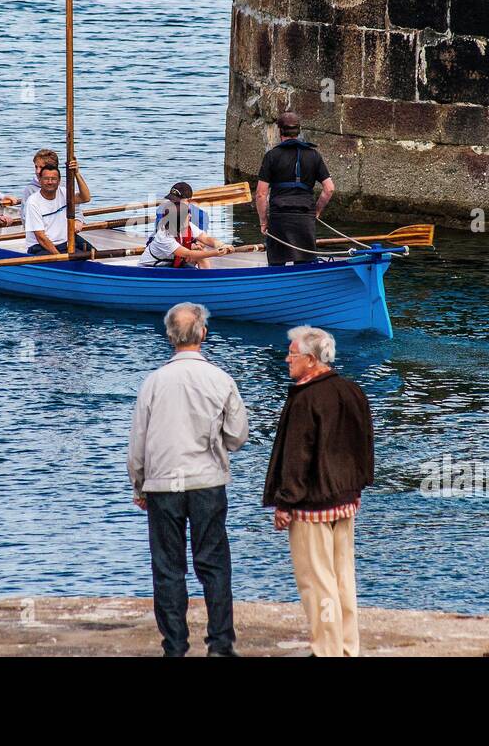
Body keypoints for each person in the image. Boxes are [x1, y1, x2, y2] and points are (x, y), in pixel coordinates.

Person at [128, 303, 249, 657]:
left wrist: (139, 485)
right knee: (213, 564)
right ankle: (220, 644)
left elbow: (138, 443)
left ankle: (175, 646)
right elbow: (238, 436)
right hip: (206, 480)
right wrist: (218, 443)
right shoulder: (221, 379)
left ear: (170, 337)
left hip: (163, 483)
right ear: (203, 334)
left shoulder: (153, 382)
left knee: (168, 568)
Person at [262, 325, 375, 657]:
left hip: (312, 504)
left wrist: (284, 502)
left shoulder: (305, 398)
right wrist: (356, 487)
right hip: (345, 499)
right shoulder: (352, 390)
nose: (287, 360)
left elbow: (297, 456)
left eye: (293, 355)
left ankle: (325, 648)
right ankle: (346, 646)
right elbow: (365, 446)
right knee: (343, 577)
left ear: (310, 360)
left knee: (317, 581)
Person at [255, 112, 336, 266]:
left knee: (277, 266)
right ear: (299, 131)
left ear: (279, 131)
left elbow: (261, 194)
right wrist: (316, 210)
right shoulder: (314, 155)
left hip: (279, 218)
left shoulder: (272, 156)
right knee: (304, 266)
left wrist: (263, 221)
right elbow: (329, 189)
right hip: (305, 217)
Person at [137, 195, 233, 269]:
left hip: (170, 265)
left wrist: (221, 245)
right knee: (196, 253)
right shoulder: (164, 236)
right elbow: (188, 254)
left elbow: (206, 238)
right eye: (188, 214)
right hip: (151, 269)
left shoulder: (187, 226)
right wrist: (215, 253)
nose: (191, 216)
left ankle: (207, 279)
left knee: (200, 252)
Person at [25, 160, 92, 255]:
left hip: (64, 243)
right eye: (46, 179)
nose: (50, 182)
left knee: (95, 255)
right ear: (40, 180)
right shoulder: (33, 202)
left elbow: (86, 198)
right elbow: (41, 238)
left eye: (53, 179)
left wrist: (76, 173)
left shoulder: (64, 192)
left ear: (59, 181)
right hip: (39, 247)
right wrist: (60, 257)